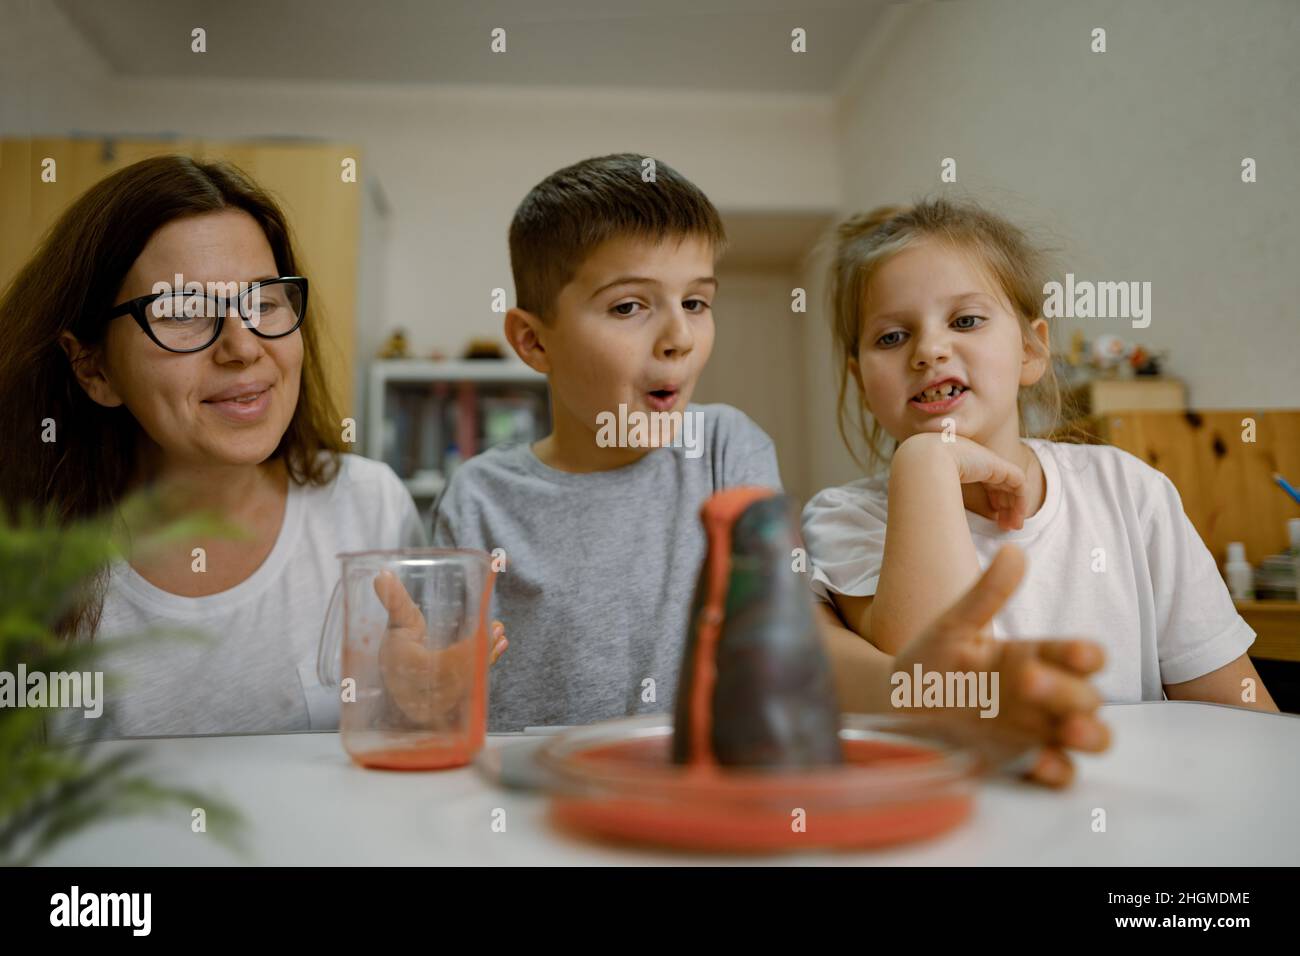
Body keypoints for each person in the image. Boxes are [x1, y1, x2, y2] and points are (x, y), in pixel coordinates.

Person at [0, 154, 505, 737]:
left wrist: (424, 708)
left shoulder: (369, 508)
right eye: (184, 311)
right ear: (93, 369)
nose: (242, 347)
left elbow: (411, 761)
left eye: (263, 301)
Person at [802, 199, 1276, 719]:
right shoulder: (845, 518)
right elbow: (934, 693)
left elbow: (1238, 711)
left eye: (965, 320)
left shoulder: (1130, 493)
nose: (929, 350)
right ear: (861, 382)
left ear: (1030, 350)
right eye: (892, 336)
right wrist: (926, 465)